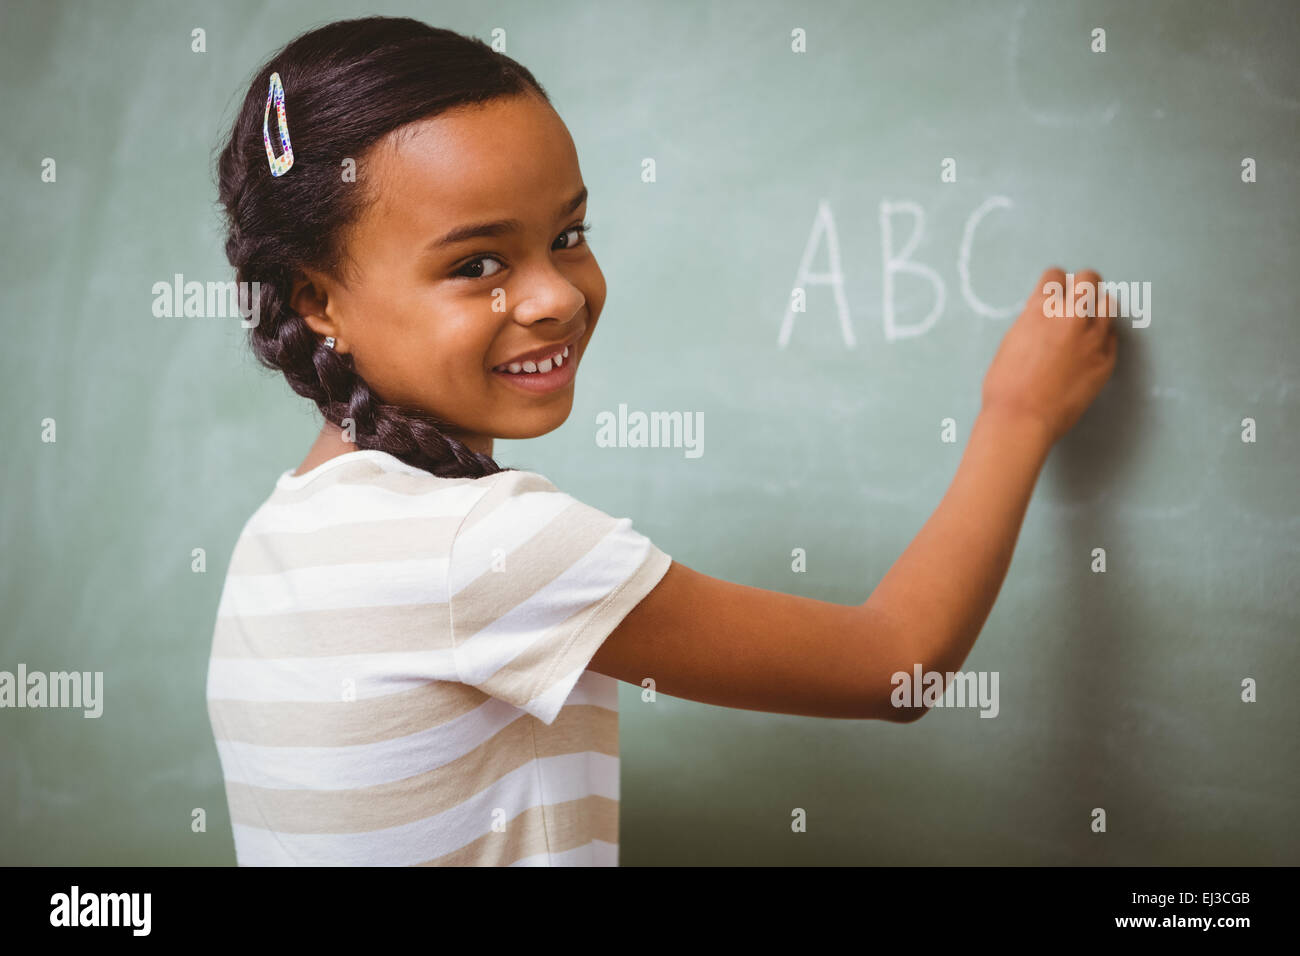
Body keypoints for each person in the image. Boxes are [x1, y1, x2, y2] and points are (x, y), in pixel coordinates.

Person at [206, 16, 1117, 866]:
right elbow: (894, 666)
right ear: (318, 300)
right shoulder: (480, 546)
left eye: (568, 235)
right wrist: (1018, 413)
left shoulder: (276, 539)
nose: (555, 294)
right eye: (477, 263)